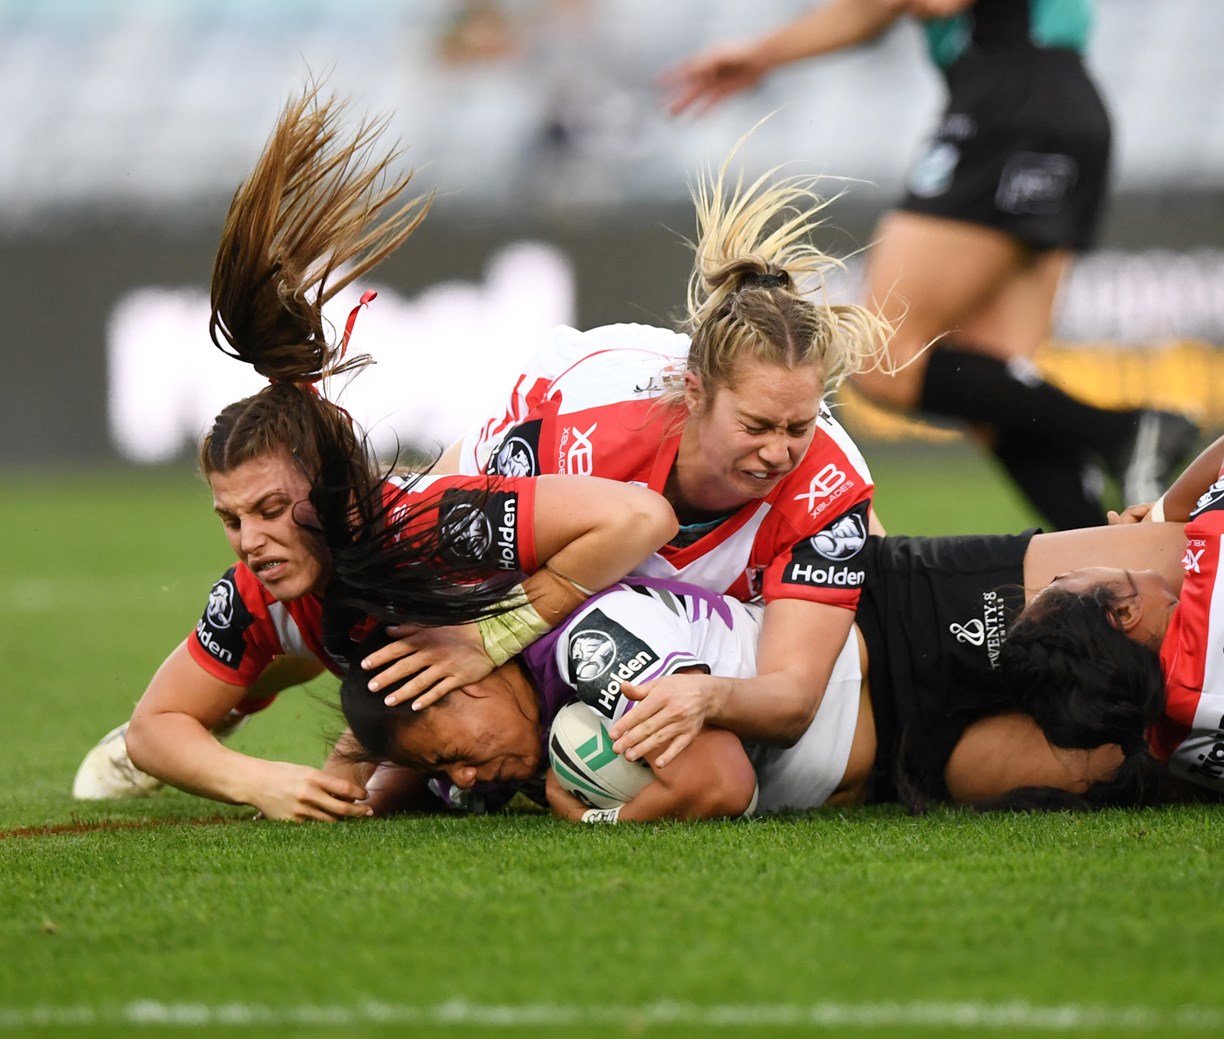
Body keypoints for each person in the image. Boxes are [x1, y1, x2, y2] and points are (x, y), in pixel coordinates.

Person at [71, 85, 679, 821]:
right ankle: (235, 704)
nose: (251, 540)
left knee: (332, 656)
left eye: (270, 508)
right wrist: (258, 781)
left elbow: (640, 520)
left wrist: (493, 633)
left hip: (578, 449)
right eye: (232, 519)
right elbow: (153, 730)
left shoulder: (435, 526)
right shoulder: (263, 587)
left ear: (325, 486)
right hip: (354, 606)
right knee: (289, 647)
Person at [383, 155, 895, 776]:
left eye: (799, 427)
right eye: (757, 426)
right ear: (696, 394)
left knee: (862, 622)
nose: (778, 452)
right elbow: (450, 568)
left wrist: (705, 699)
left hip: (709, 628)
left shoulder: (829, 483)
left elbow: (792, 702)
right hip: (543, 473)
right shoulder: (577, 427)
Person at [660, 0, 1199, 529]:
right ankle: (1112, 553)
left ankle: (1126, 431)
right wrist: (762, 56)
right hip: (1057, 105)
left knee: (882, 355)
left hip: (1009, 103)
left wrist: (764, 54)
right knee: (994, 386)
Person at [336, 520, 1189, 822]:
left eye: (454, 753)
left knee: (1184, 581)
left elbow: (718, 780)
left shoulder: (587, 646)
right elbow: (416, 764)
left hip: (899, 618)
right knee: (1167, 752)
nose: (467, 776)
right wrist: (358, 777)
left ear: (469, 678)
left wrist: (598, 822)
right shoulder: (504, 744)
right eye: (444, 769)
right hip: (908, 756)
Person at [965, 433, 1224, 809]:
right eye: (1065, 579)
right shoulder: (1212, 570)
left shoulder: (1175, 745)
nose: (1081, 565)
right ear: (1124, 613)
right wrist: (1160, 516)